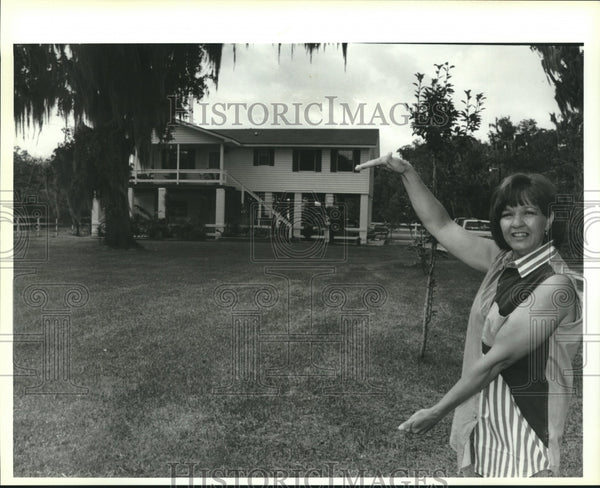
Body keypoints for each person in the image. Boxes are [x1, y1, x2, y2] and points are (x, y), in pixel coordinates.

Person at [358, 152, 582, 477]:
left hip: (527, 440)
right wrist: (406, 172)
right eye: (507, 214)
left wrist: (436, 411)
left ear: (548, 220)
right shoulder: (503, 262)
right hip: (484, 424)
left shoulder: (556, 285)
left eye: (529, 213)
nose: (516, 223)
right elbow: (441, 225)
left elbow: (497, 361)